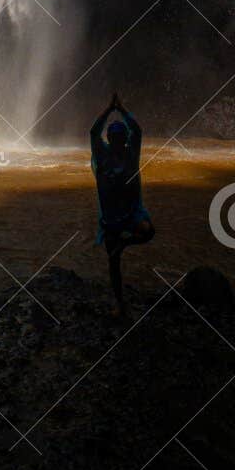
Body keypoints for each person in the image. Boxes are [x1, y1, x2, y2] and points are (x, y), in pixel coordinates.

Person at [90, 90, 154, 319]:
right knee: (113, 263)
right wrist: (110, 109)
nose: (118, 141)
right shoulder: (101, 157)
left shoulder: (131, 156)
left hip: (132, 213)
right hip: (110, 220)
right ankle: (120, 303)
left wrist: (121, 109)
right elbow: (93, 132)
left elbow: (138, 131)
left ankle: (126, 242)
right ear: (110, 139)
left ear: (124, 139)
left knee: (148, 232)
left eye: (120, 137)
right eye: (114, 137)